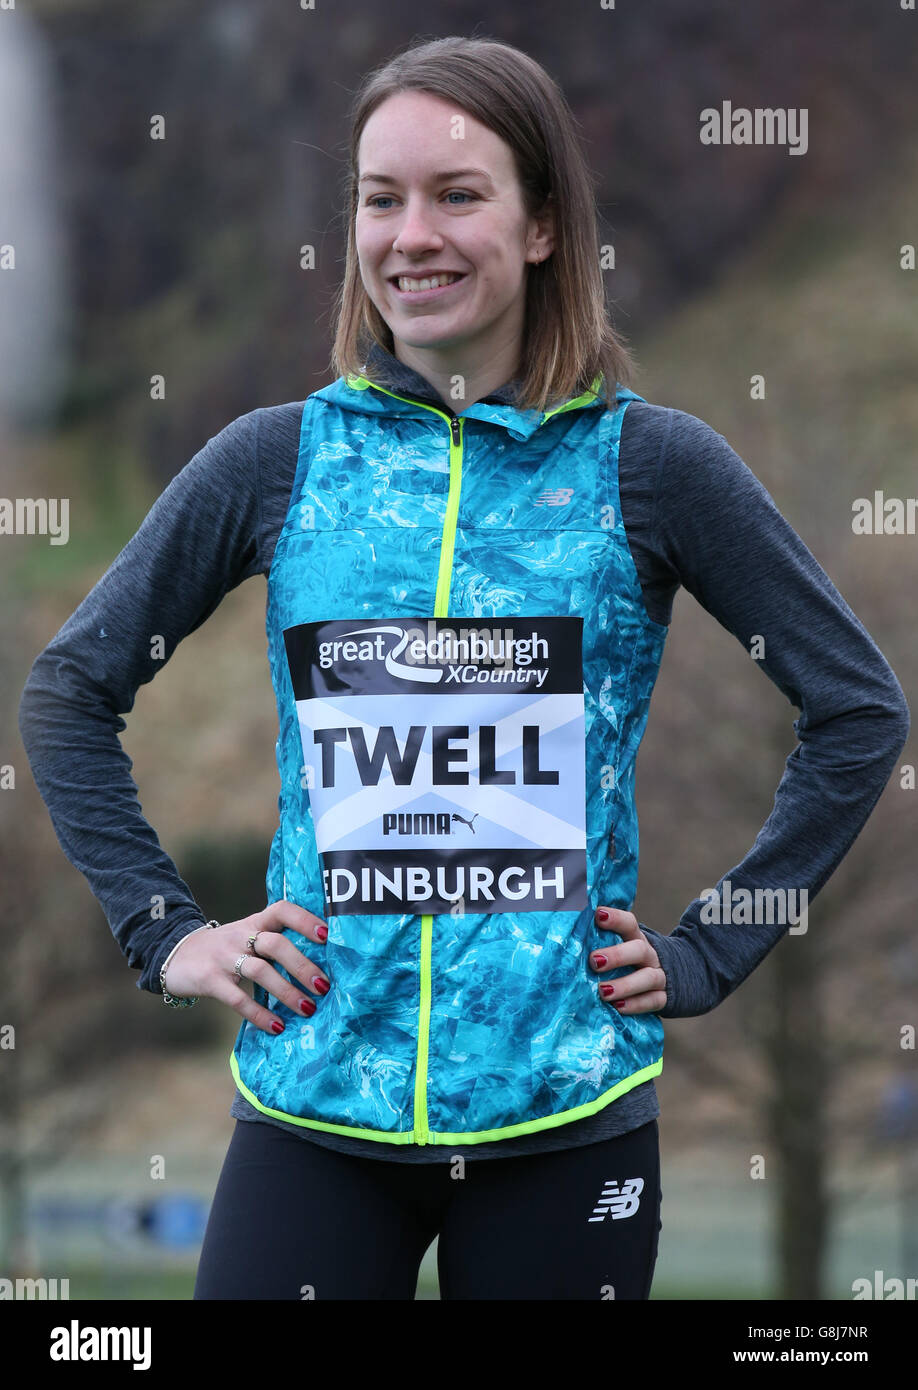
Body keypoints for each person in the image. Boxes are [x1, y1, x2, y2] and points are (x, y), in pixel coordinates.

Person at [18, 35, 909, 1302]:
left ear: (543, 224)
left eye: (456, 194)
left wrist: (718, 945)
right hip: (319, 1112)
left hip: (566, 1122)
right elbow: (67, 692)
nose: (410, 234)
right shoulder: (276, 462)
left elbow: (859, 710)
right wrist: (167, 932)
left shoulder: (651, 466)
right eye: (381, 199)